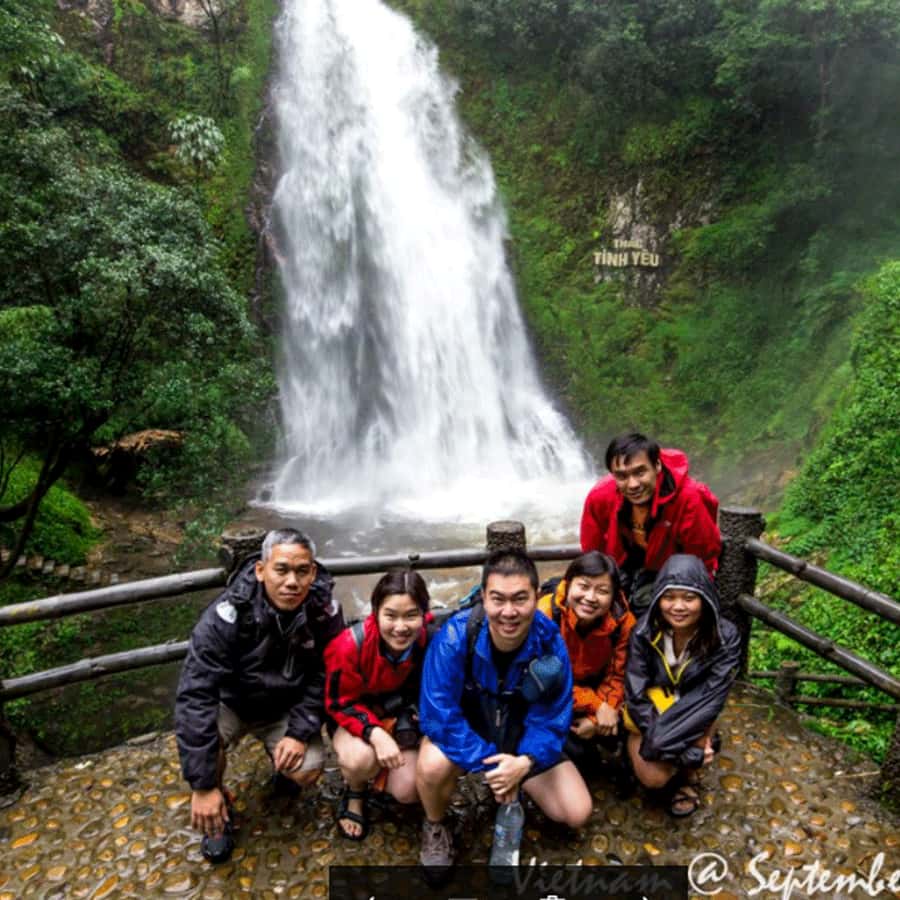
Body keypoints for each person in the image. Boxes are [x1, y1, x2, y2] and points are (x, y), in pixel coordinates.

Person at [174, 528, 344, 863]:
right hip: (232, 702)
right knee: (207, 737)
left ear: (313, 573)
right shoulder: (226, 615)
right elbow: (195, 692)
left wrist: (299, 732)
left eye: (301, 571)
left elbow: (325, 674)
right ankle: (218, 811)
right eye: (282, 570)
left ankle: (283, 768)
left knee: (308, 768)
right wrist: (203, 786)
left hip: (284, 706)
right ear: (261, 570)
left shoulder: (324, 611)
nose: (292, 582)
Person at [416, 549, 593, 869]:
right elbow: (438, 715)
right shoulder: (455, 636)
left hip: (520, 736)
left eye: (520, 599)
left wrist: (525, 762)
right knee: (431, 765)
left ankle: (520, 780)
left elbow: (553, 717)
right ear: (483, 597)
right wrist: (494, 766)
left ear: (536, 596)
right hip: (472, 731)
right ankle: (435, 824)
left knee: (576, 812)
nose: (508, 612)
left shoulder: (550, 642)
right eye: (498, 599)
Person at [623, 554, 740, 817]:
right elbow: (636, 693)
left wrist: (664, 744)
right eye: (669, 597)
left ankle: (686, 779)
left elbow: (711, 695)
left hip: (693, 708)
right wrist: (680, 750)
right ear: (657, 599)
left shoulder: (725, 636)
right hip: (653, 712)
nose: (678, 607)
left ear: (705, 599)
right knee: (654, 778)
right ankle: (679, 760)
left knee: (701, 731)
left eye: (689, 598)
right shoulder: (643, 632)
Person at [325, 569, 433, 841]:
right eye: (391, 615)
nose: (401, 627)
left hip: (402, 718)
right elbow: (338, 703)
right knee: (360, 760)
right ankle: (356, 791)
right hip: (357, 717)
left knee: (409, 790)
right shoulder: (349, 646)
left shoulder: (430, 640)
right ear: (375, 613)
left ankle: (381, 777)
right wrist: (374, 733)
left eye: (411, 615)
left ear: (424, 614)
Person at [580, 432, 721, 613]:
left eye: (640, 472)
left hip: (672, 571)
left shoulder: (688, 498)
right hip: (623, 564)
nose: (633, 484)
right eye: (622, 476)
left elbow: (701, 557)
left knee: (646, 610)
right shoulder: (601, 496)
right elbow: (592, 551)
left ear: (657, 465)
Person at [537, 552, 636, 769]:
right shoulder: (545, 615)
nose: (590, 597)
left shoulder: (623, 623)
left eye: (602, 591)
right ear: (568, 584)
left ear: (614, 595)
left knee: (630, 720)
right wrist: (597, 706)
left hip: (595, 687)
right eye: (583, 586)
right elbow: (546, 681)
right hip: (553, 694)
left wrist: (600, 715)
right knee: (580, 755)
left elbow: (618, 674)